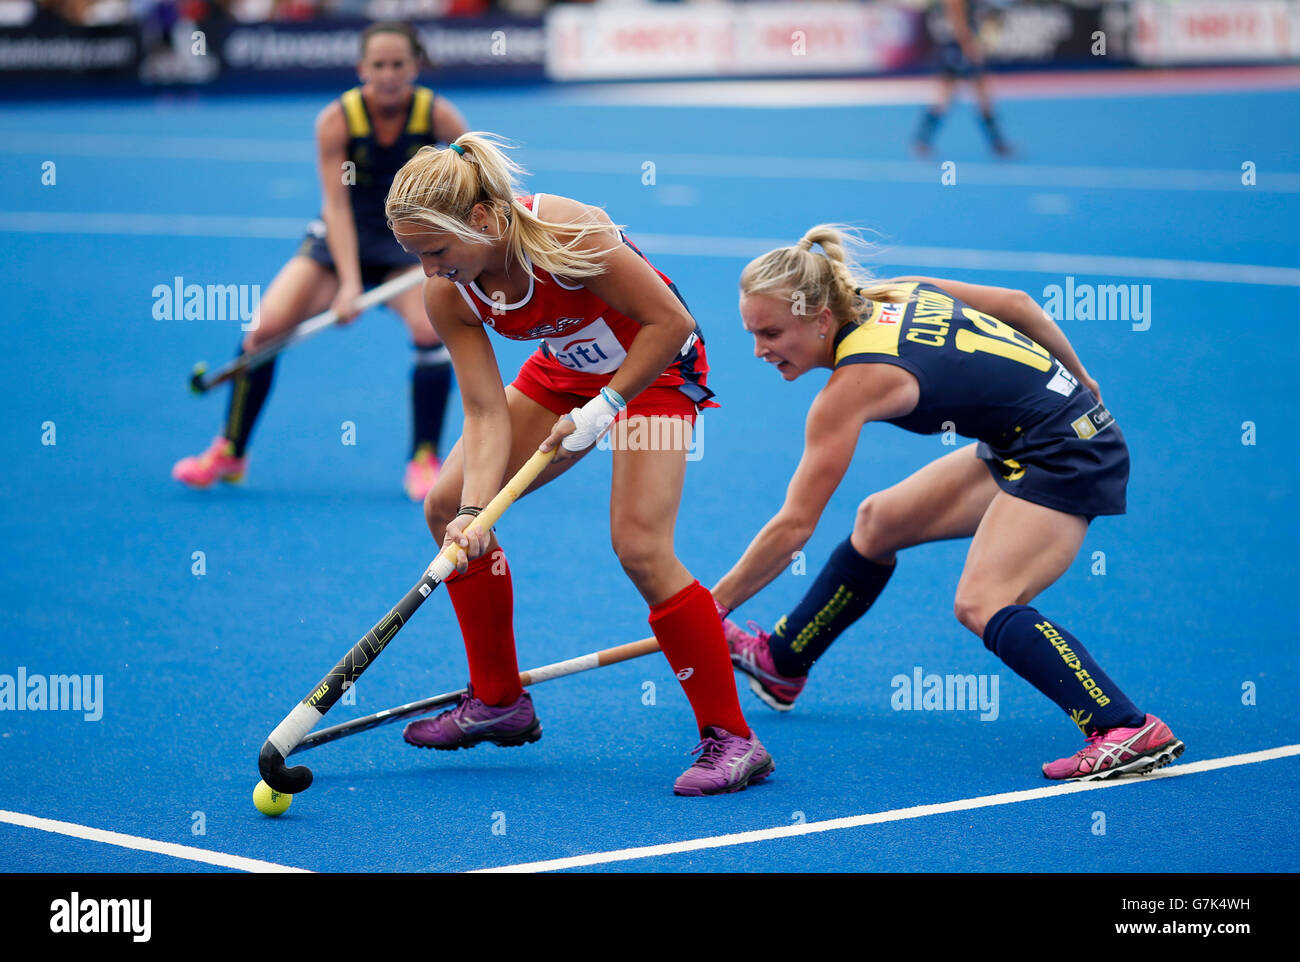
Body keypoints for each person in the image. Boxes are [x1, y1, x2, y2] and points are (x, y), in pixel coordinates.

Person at [711, 224, 1183, 782]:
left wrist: (709, 610)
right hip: (1027, 439)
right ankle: (783, 661)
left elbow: (794, 525)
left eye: (771, 332)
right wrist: (1082, 379)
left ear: (819, 319)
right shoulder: (894, 291)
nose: (760, 350)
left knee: (982, 602)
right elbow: (1018, 304)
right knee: (878, 521)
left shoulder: (854, 384)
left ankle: (1123, 727)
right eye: (752, 333)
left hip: (1067, 456)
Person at [385, 132, 772, 796]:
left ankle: (734, 739)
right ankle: (500, 701)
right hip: (565, 372)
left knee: (640, 547)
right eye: (416, 256)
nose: (429, 271)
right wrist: (476, 515)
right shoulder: (449, 294)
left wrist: (608, 405)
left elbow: (670, 322)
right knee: (446, 506)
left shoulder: (570, 235)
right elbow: (483, 413)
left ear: (482, 220)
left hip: (653, 371)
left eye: (438, 252)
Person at [172, 21, 467, 500]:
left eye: (398, 65)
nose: (389, 74)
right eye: (378, 65)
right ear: (361, 68)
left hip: (405, 246)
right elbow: (336, 205)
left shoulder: (438, 115)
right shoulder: (337, 120)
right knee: (265, 330)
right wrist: (350, 283)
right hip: (339, 242)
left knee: (429, 331)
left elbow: (477, 179)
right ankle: (230, 451)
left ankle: (424, 457)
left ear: (414, 66)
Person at [913, 0, 1012, 157]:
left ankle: (922, 140)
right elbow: (955, 15)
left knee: (952, 93)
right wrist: (968, 45)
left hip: (956, 44)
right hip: (958, 46)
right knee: (975, 91)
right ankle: (997, 142)